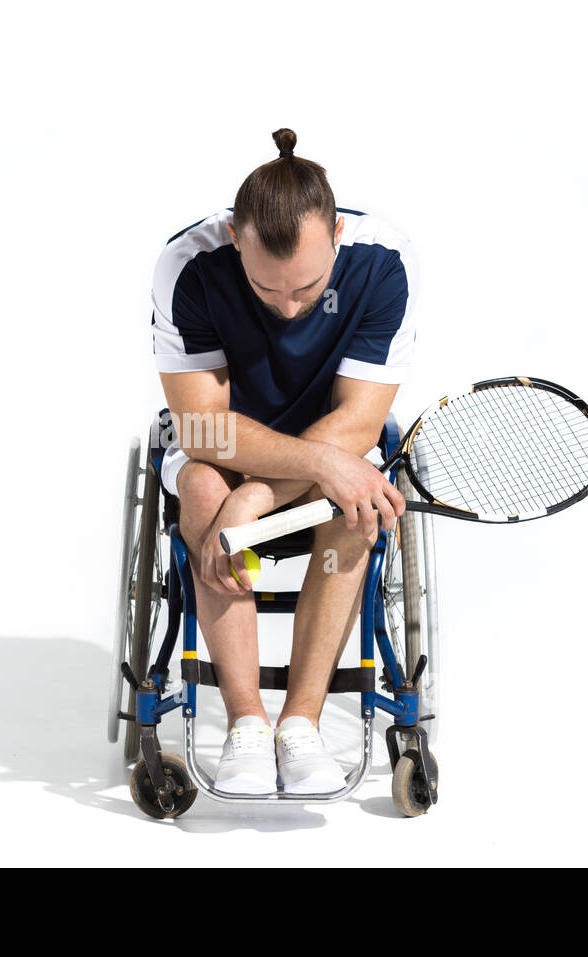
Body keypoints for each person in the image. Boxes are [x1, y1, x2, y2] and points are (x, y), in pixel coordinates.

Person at [149, 128, 419, 795]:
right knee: (206, 492)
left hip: (332, 446)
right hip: (224, 448)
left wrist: (259, 498)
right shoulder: (188, 265)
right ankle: (247, 724)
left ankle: (299, 725)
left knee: (358, 503)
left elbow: (357, 421)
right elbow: (203, 425)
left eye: (306, 288)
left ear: (335, 232)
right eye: (268, 291)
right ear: (235, 238)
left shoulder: (383, 263)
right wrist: (240, 493)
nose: (290, 307)